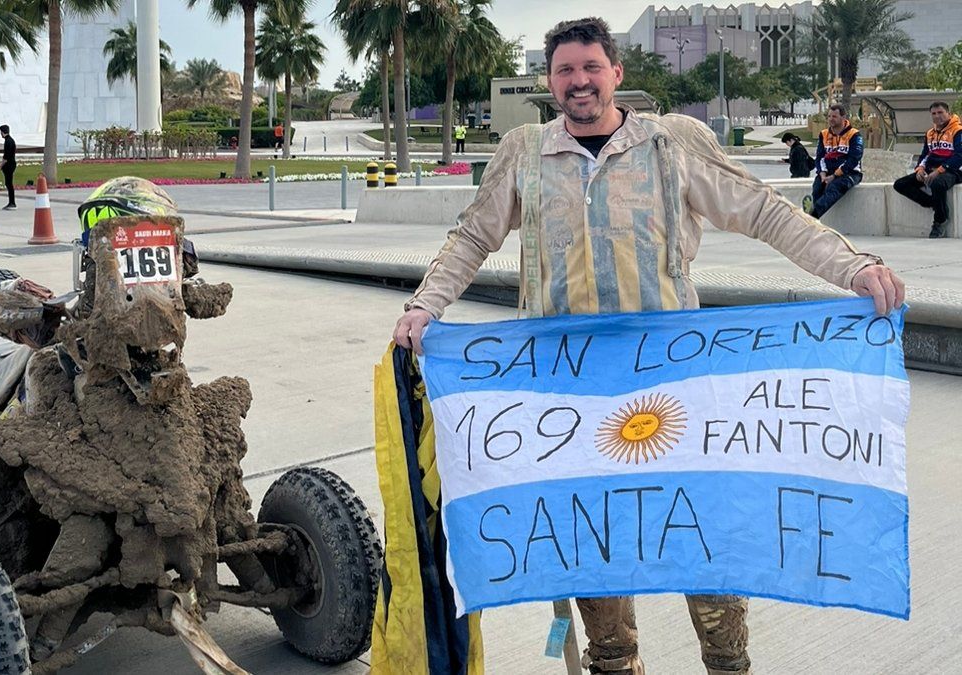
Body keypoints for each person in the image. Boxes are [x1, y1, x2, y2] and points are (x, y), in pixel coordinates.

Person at [392, 16, 904, 675]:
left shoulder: (672, 145)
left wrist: (852, 267)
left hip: (673, 391)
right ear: (550, 81)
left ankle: (727, 662)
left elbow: (764, 211)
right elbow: (471, 237)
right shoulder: (524, 153)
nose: (579, 81)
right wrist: (424, 305)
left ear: (616, 74)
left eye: (590, 68)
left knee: (701, 539)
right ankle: (614, 662)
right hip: (567, 398)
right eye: (565, 71)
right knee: (590, 539)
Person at [893, 100, 962, 239]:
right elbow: (925, 154)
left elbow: (959, 155)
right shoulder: (930, 133)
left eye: (940, 112)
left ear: (948, 113)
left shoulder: (958, 130)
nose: (937, 116)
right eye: (934, 114)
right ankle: (933, 203)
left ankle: (940, 220)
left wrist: (939, 171)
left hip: (954, 170)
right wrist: (920, 169)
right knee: (900, 184)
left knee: (937, 184)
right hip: (932, 169)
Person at [803, 104, 863, 218]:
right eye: (829, 116)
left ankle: (812, 215)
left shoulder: (854, 135)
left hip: (850, 173)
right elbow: (820, 156)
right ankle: (813, 218)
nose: (831, 119)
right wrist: (822, 173)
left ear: (843, 117)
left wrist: (835, 176)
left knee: (833, 187)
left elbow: (854, 159)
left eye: (834, 116)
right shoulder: (824, 134)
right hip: (828, 173)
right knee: (817, 188)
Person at [0, 124, 17, 210]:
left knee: (9, 183)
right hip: (11, 163)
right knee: (8, 183)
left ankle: (12, 202)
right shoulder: (10, 140)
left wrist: (1, 165)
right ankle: (11, 202)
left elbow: (6, 155)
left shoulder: (8, 141)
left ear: (2, 132)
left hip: (9, 164)